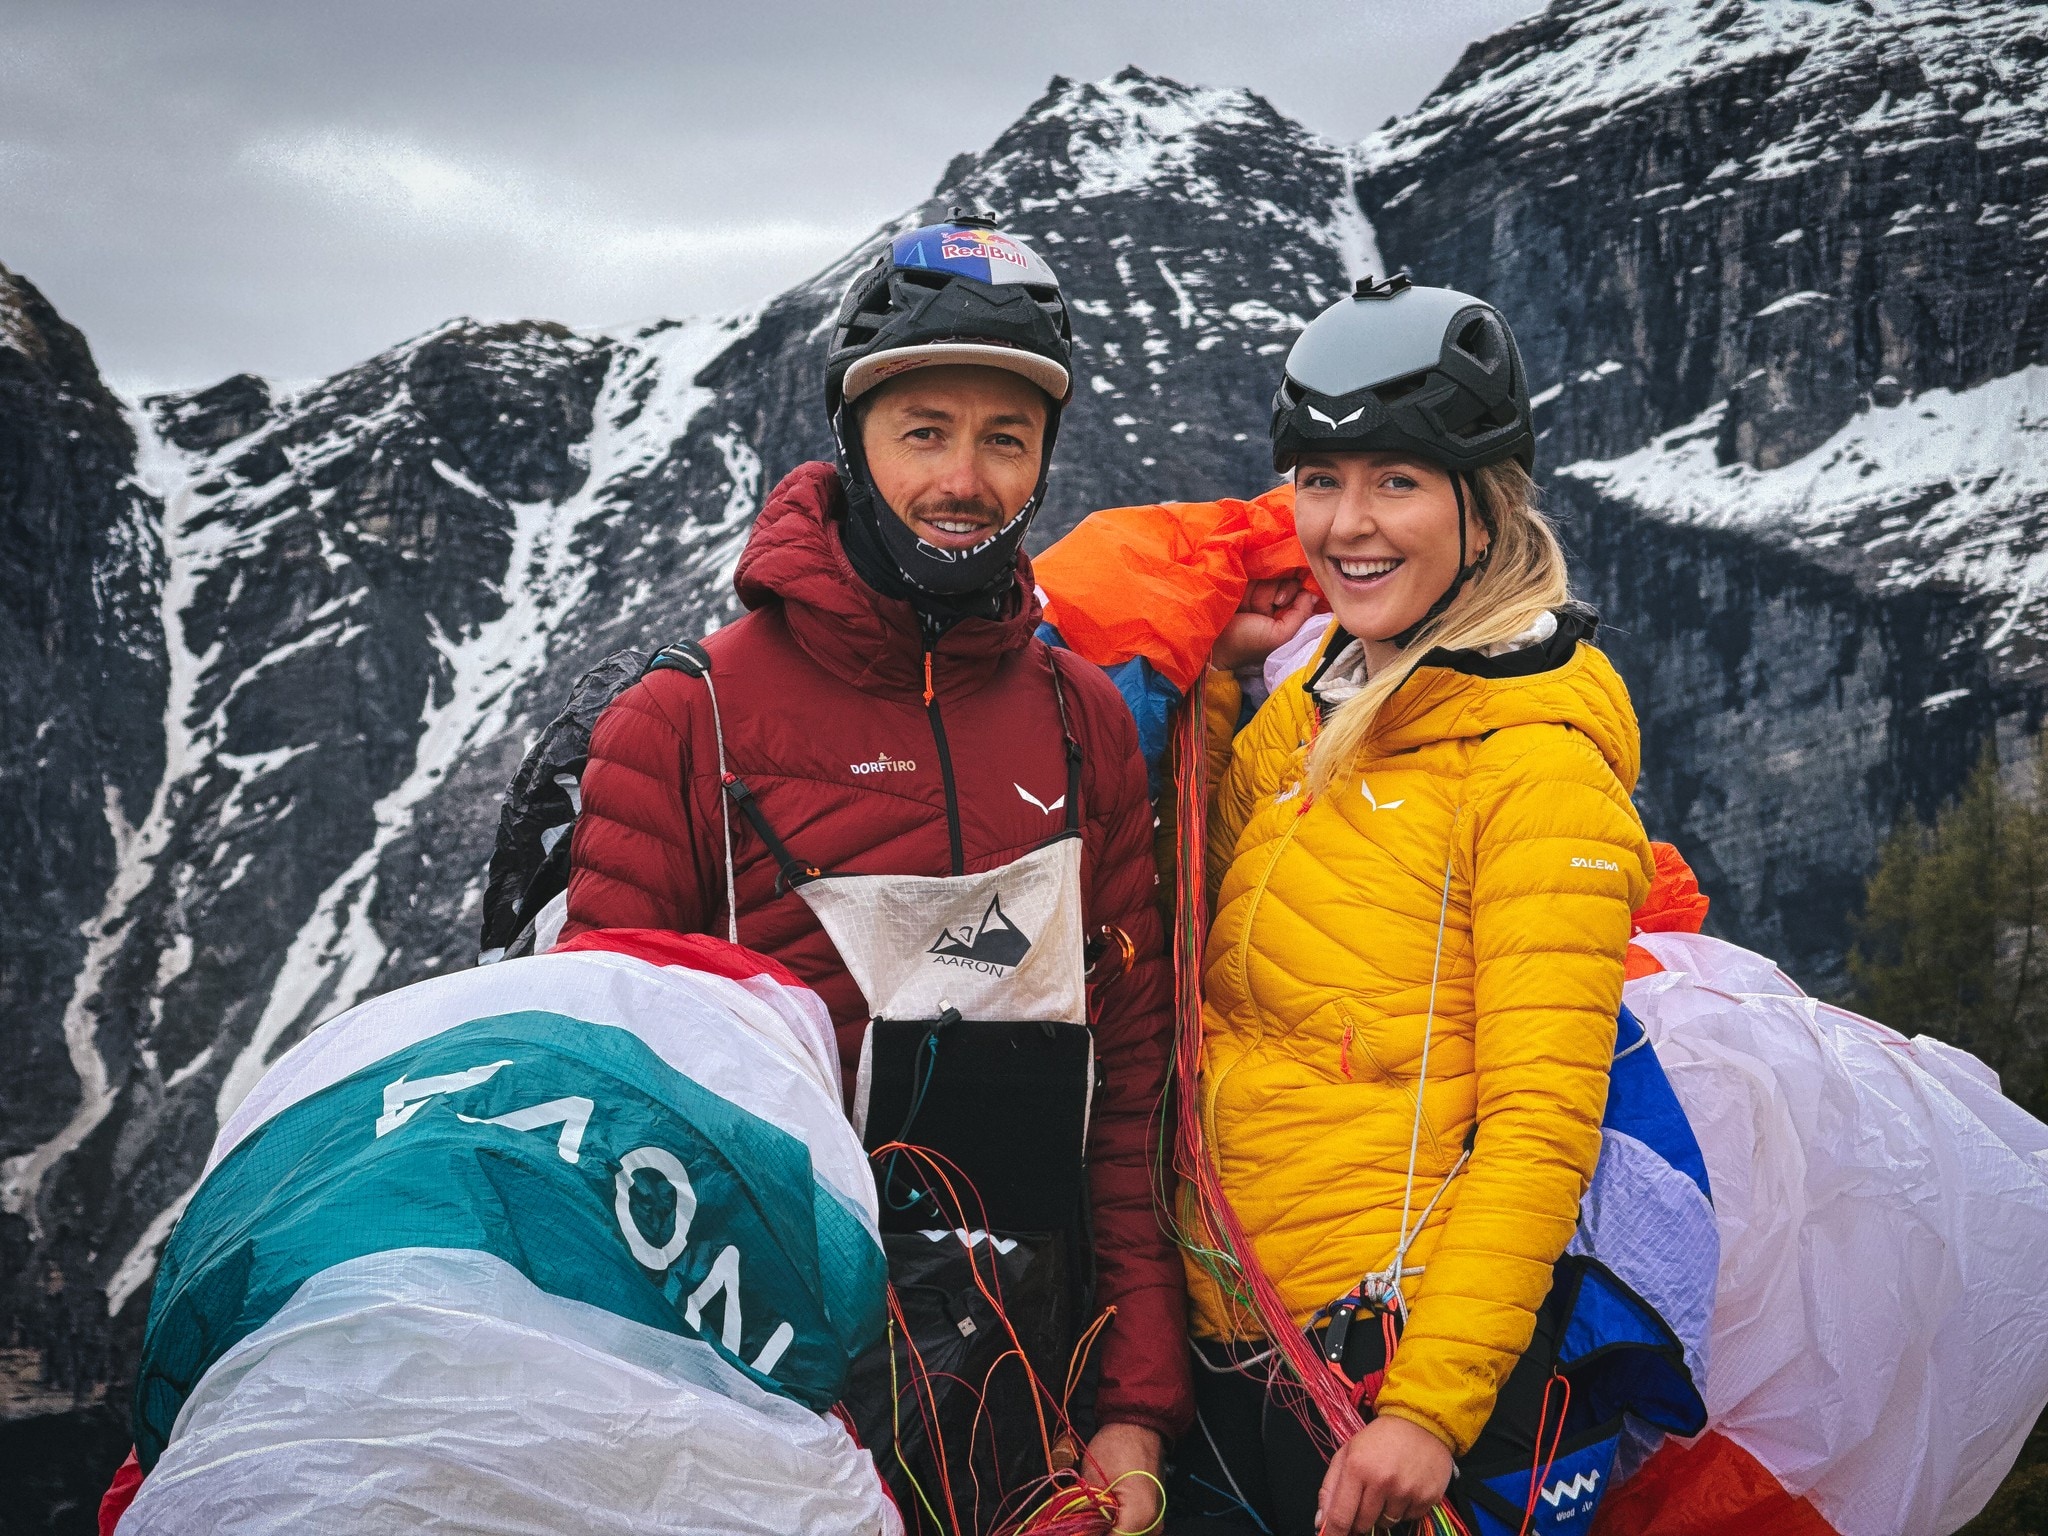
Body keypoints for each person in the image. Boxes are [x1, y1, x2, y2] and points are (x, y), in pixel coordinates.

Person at [559, 216, 1191, 1529]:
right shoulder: (685, 725)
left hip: (1024, 1392)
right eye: (925, 431)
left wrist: (1132, 1401)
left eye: (1004, 438)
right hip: (760, 1410)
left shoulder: (1083, 726)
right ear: (854, 440)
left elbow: (1127, 1092)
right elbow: (596, 1125)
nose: (964, 477)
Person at [1167, 277, 1655, 1535]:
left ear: (1479, 511)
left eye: (1396, 480)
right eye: (1318, 480)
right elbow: (1207, 961)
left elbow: (1543, 1125)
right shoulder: (1308, 710)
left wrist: (1428, 1410)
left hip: (1384, 1368)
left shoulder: (1535, 766)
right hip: (1231, 1336)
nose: (1345, 523)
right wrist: (1219, 687)